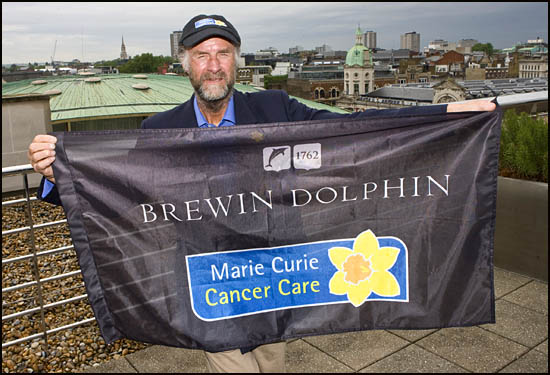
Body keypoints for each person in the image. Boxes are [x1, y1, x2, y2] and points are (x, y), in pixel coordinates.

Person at [28, 14, 496, 373]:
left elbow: (353, 131)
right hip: (207, 272)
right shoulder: (160, 128)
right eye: (202, 55)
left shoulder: (275, 108)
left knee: (271, 361)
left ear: (237, 60)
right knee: (231, 363)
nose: (213, 66)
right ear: (185, 64)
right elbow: (121, 188)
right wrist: (59, 172)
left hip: (275, 267)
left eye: (223, 53)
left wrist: (446, 116)